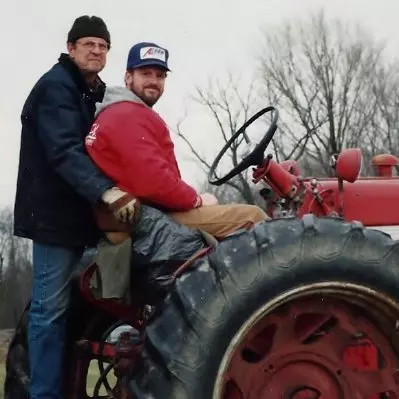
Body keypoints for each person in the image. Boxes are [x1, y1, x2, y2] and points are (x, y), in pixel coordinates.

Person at [13, 15, 136, 399]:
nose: (97, 51)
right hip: (53, 218)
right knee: (49, 311)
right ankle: (44, 394)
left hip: (77, 216)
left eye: (102, 46)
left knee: (78, 305)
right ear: (71, 48)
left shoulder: (89, 90)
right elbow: (65, 151)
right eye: (89, 45)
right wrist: (108, 192)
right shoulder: (56, 88)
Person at [86, 41, 267, 243]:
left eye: (160, 75)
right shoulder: (127, 114)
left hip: (134, 214)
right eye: (146, 74)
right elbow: (152, 181)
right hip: (144, 218)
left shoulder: (116, 112)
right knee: (253, 217)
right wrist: (196, 199)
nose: (154, 81)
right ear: (128, 77)